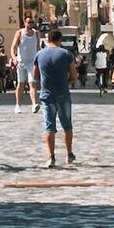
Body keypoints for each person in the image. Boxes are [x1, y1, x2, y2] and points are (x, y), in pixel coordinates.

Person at [35, 29, 81, 165]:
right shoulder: (66, 54)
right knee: (67, 125)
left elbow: (35, 75)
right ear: (60, 40)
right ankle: (69, 154)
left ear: (47, 40)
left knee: (49, 127)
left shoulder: (39, 55)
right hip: (62, 93)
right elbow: (74, 75)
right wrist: (67, 82)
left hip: (46, 95)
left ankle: (51, 157)